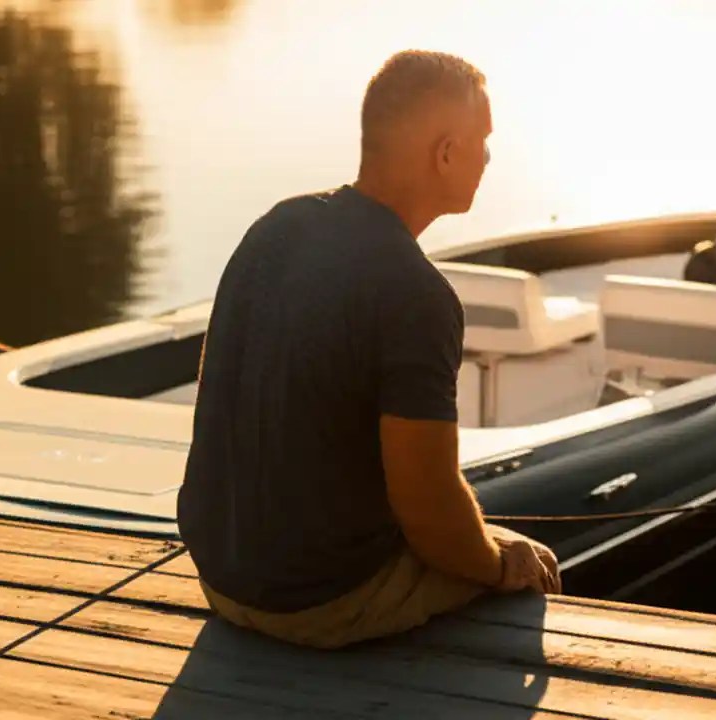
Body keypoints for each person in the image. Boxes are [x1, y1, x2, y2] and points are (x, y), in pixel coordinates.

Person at [177, 50, 561, 650]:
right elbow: (431, 515)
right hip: (321, 601)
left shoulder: (274, 228)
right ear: (446, 153)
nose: (488, 160)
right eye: (483, 144)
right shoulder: (417, 295)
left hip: (219, 578)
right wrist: (500, 563)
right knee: (528, 563)